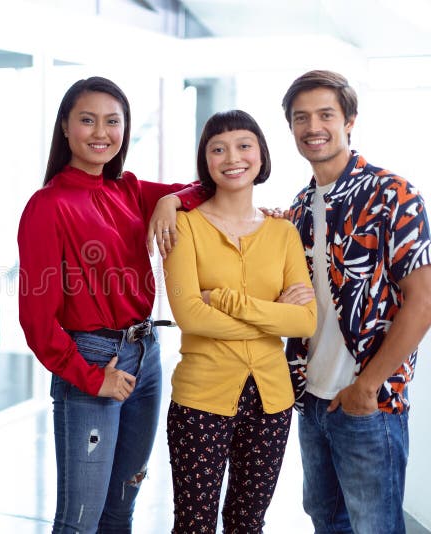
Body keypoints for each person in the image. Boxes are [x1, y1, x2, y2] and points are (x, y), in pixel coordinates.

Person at [17, 76, 210, 533]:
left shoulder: (128, 189)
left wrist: (168, 202)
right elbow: (36, 319)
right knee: (80, 520)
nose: (100, 132)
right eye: (87, 120)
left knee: (121, 508)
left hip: (147, 356)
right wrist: (90, 377)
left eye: (112, 121)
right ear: (65, 127)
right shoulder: (48, 205)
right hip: (92, 361)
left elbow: (207, 187)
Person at [282, 70, 431, 534]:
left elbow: (423, 302)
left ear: (349, 121)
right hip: (312, 400)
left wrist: (367, 387)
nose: (313, 127)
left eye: (326, 114)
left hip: (369, 405)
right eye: (301, 117)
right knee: (326, 523)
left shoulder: (393, 195)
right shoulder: (299, 208)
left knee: (375, 528)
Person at [162, 109, 316, 533]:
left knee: (248, 523)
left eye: (244, 145)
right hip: (200, 400)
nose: (233, 156)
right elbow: (189, 315)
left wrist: (226, 301)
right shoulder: (184, 226)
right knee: (193, 523)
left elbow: (305, 322)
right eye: (218, 148)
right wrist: (274, 318)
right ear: (206, 161)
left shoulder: (284, 232)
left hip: (272, 400)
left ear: (261, 156)